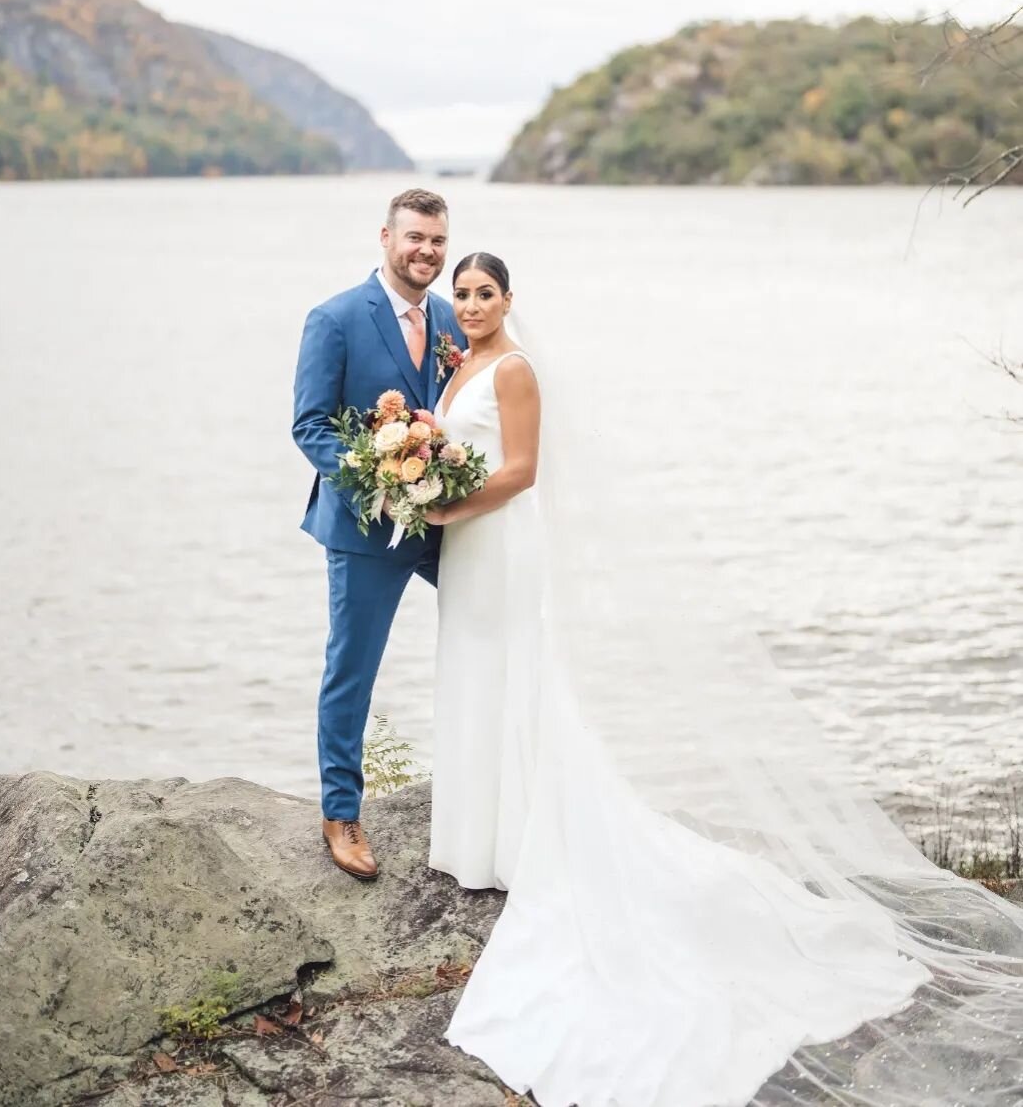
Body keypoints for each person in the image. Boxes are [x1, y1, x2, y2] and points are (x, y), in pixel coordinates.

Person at [416, 251, 1023, 1107]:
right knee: (473, 675)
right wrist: (424, 481)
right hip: (470, 553)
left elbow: (520, 473)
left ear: (509, 299)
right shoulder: (460, 364)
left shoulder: (514, 368)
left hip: (501, 544)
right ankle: (474, 834)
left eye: (484, 293)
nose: (472, 304)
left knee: (517, 679)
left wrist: (443, 504)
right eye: (462, 294)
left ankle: (520, 834)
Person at [291, 188, 466, 880]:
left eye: (437, 241)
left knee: (502, 620)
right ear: (386, 238)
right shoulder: (335, 318)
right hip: (368, 527)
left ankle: (500, 784)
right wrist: (380, 482)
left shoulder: (455, 317)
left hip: (444, 520)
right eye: (415, 237)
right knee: (352, 670)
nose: (426, 250)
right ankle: (341, 813)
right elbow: (309, 426)